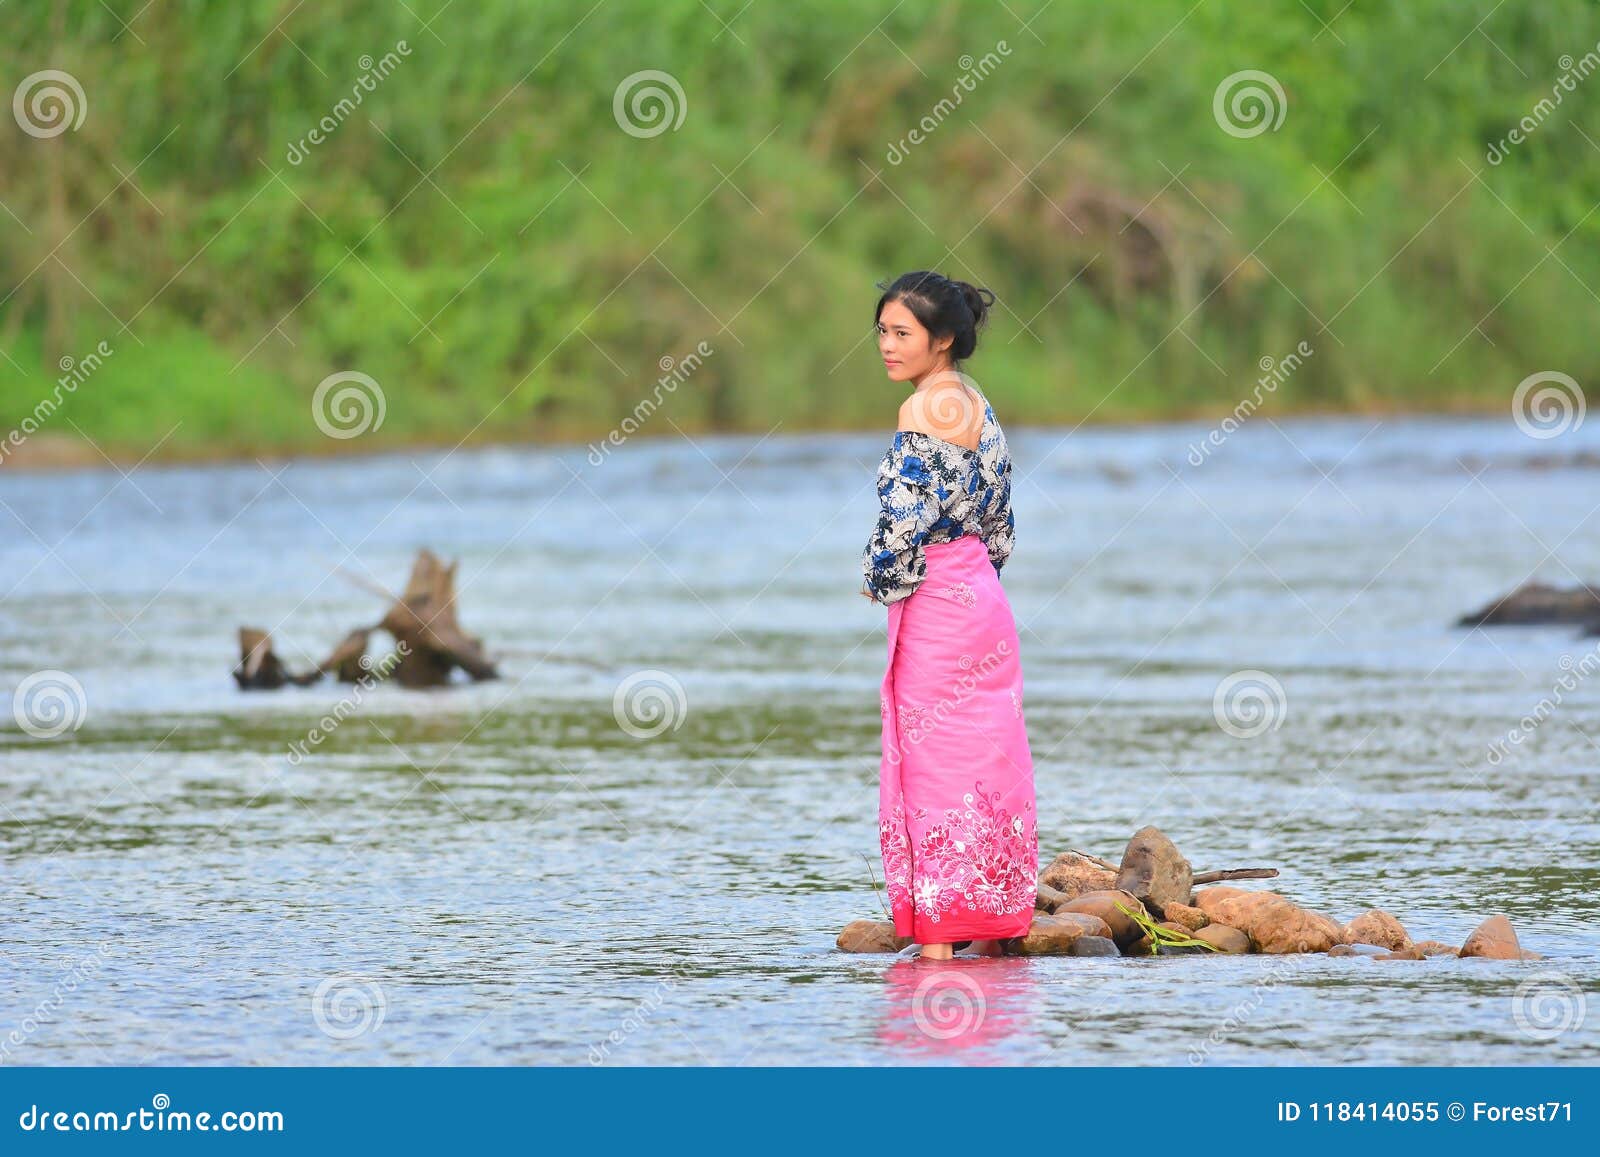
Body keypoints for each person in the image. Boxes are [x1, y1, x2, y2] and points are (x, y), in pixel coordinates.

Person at [860, 270, 1038, 961]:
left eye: (901, 333)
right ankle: (994, 924)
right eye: (881, 330)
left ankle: (937, 943)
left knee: (933, 761)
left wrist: (880, 575)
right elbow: (999, 522)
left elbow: (903, 519)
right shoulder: (975, 401)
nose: (886, 344)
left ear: (941, 340)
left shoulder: (921, 411)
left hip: (937, 602)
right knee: (985, 756)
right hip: (982, 600)